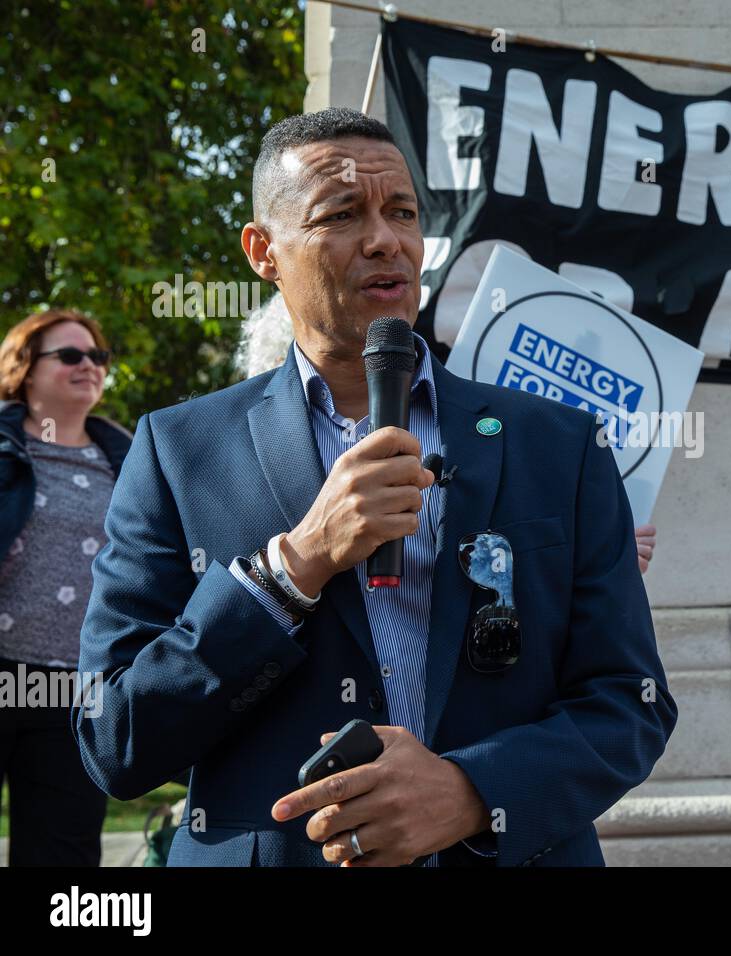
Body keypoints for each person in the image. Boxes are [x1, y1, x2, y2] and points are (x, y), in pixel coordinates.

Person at [76, 107, 676, 867]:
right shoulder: (178, 450)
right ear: (263, 250)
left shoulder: (560, 444)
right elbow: (114, 738)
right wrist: (290, 570)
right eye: (342, 214)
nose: (386, 239)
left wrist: (468, 792)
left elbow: (630, 705)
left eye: (402, 212)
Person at [239, 293, 660, 573]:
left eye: (403, 212)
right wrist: (306, 555)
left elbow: (622, 691)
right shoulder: (206, 460)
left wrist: (594, 563)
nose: (384, 242)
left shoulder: (486, 436)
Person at [0, 309, 132, 866]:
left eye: (97, 356)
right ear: (27, 369)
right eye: (71, 355)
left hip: (77, 691)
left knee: (65, 857)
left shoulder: (128, 460)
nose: (89, 365)